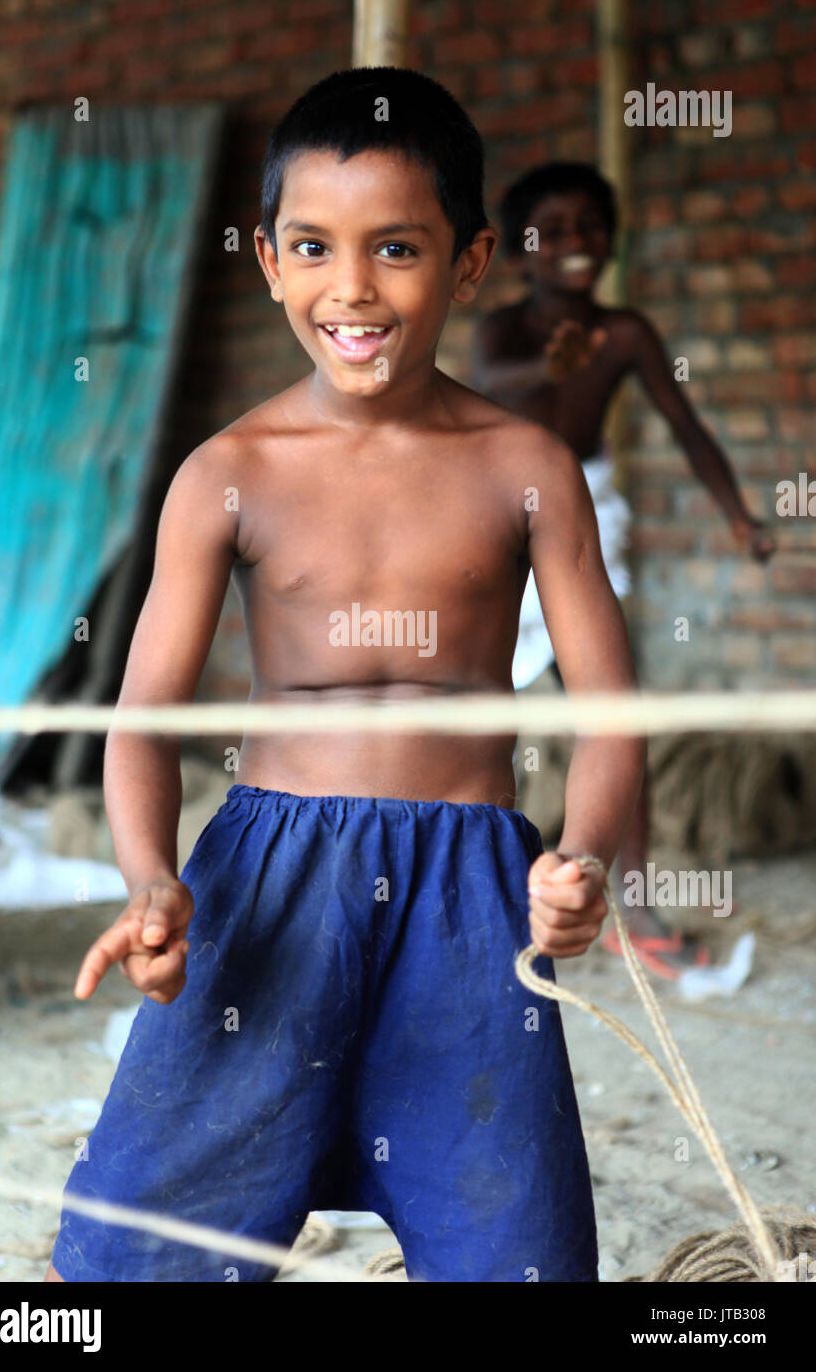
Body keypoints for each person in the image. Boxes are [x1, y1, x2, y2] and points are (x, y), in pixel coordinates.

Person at [46, 70, 643, 1285]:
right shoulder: (229, 472)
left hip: (471, 885)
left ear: (470, 263)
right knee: (137, 1252)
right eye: (313, 246)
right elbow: (143, 723)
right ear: (267, 260)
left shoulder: (525, 466)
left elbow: (615, 713)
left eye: (397, 248)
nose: (352, 289)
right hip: (268, 880)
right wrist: (152, 878)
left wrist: (581, 860)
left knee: (513, 1249)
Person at [471, 161, 774, 978]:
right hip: (492, 520)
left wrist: (739, 514)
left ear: (611, 240)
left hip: (582, 520)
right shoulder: (499, 331)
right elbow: (484, 382)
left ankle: (631, 903)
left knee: (612, 711)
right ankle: (471, 891)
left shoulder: (627, 332)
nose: (573, 243)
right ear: (520, 250)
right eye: (552, 230)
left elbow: (687, 427)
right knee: (470, 703)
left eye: (588, 227)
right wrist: (551, 371)